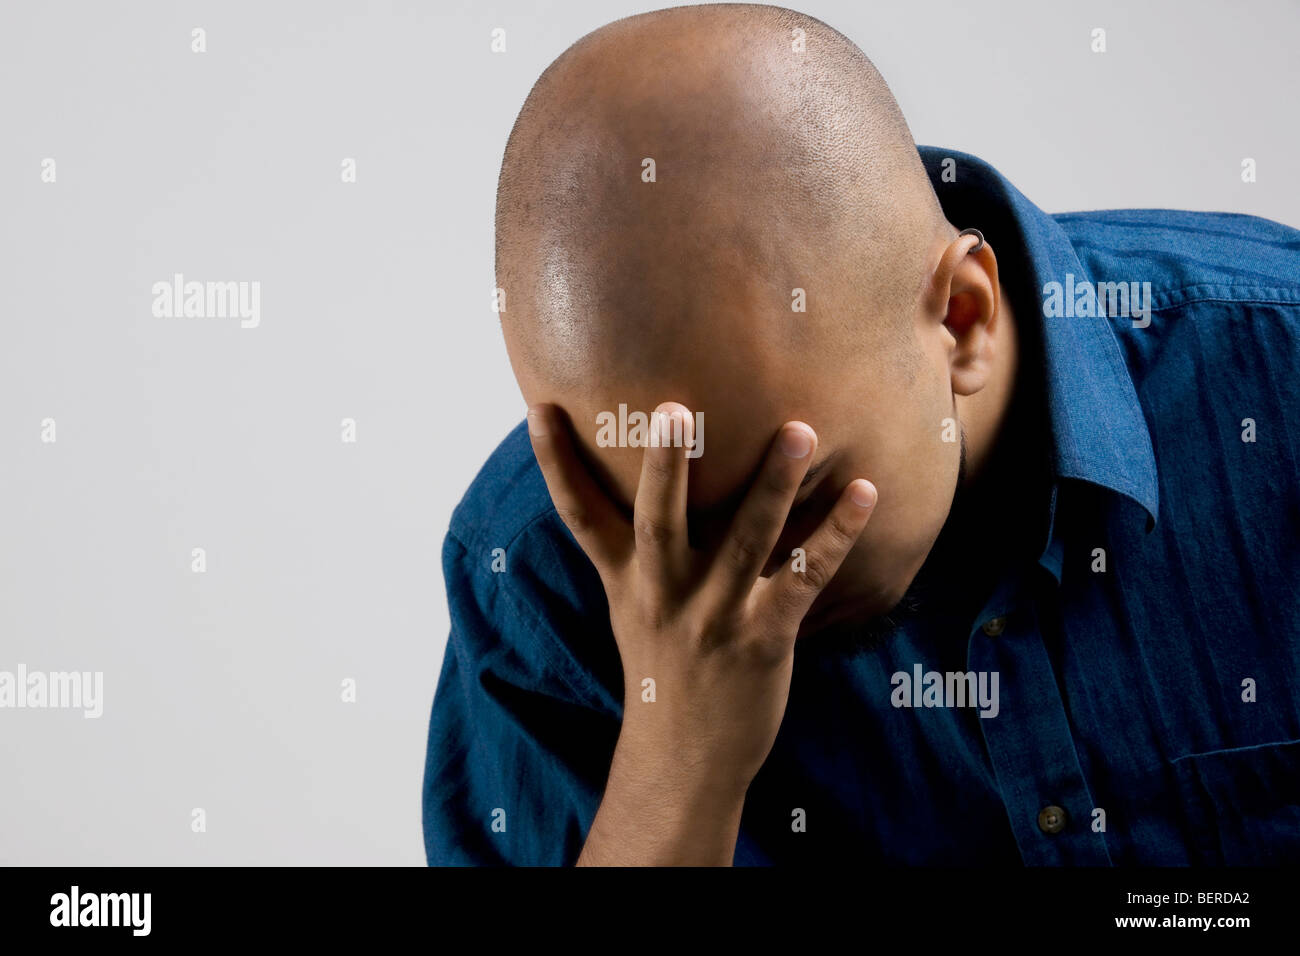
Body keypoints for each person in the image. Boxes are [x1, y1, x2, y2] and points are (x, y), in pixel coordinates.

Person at [423, 3, 1300, 865]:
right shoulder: (534, 574)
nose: (734, 593)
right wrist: (678, 768)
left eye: (790, 499)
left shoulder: (1276, 383)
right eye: (667, 531)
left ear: (961, 321)